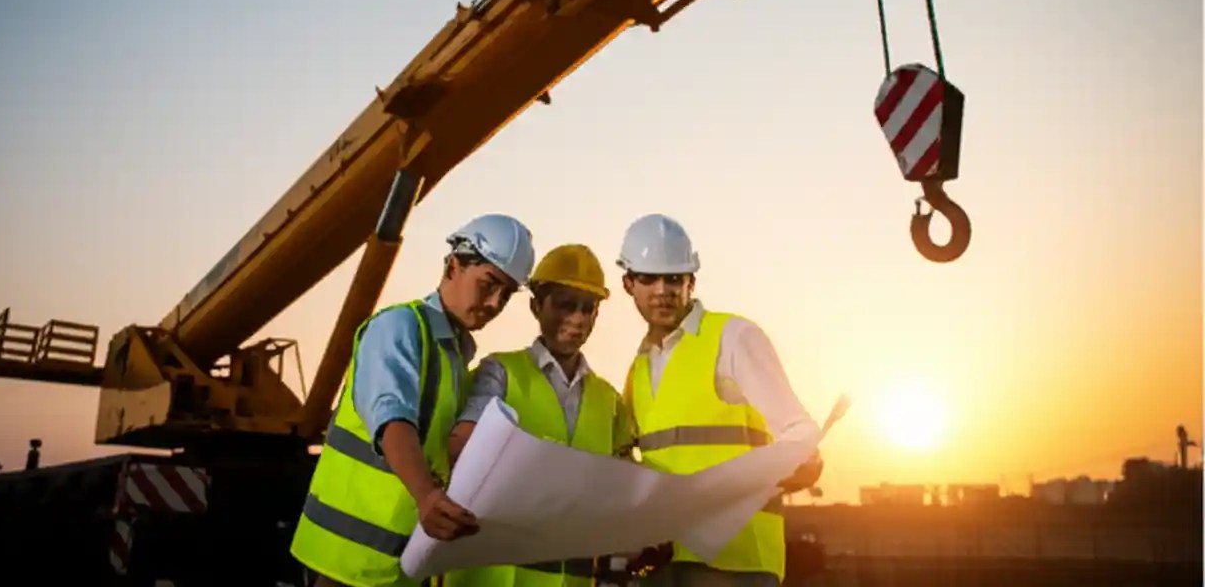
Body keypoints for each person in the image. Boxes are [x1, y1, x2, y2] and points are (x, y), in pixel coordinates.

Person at [290, 214, 536, 587]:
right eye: (488, 285)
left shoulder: (453, 354)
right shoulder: (399, 327)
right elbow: (392, 420)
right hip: (346, 560)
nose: (494, 303)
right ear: (453, 267)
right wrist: (427, 496)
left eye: (506, 294)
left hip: (396, 563)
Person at [615, 214, 824, 587]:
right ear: (628, 283)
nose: (663, 290)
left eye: (674, 278)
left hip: (736, 562)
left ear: (691, 282)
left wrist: (791, 462)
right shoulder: (639, 368)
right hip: (665, 563)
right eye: (649, 278)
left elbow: (800, 435)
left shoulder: (733, 338)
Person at [444, 243, 636, 587]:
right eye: (565, 304)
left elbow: (625, 487)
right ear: (536, 306)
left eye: (588, 308)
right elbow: (461, 450)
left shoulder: (609, 401)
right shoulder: (499, 373)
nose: (577, 319)